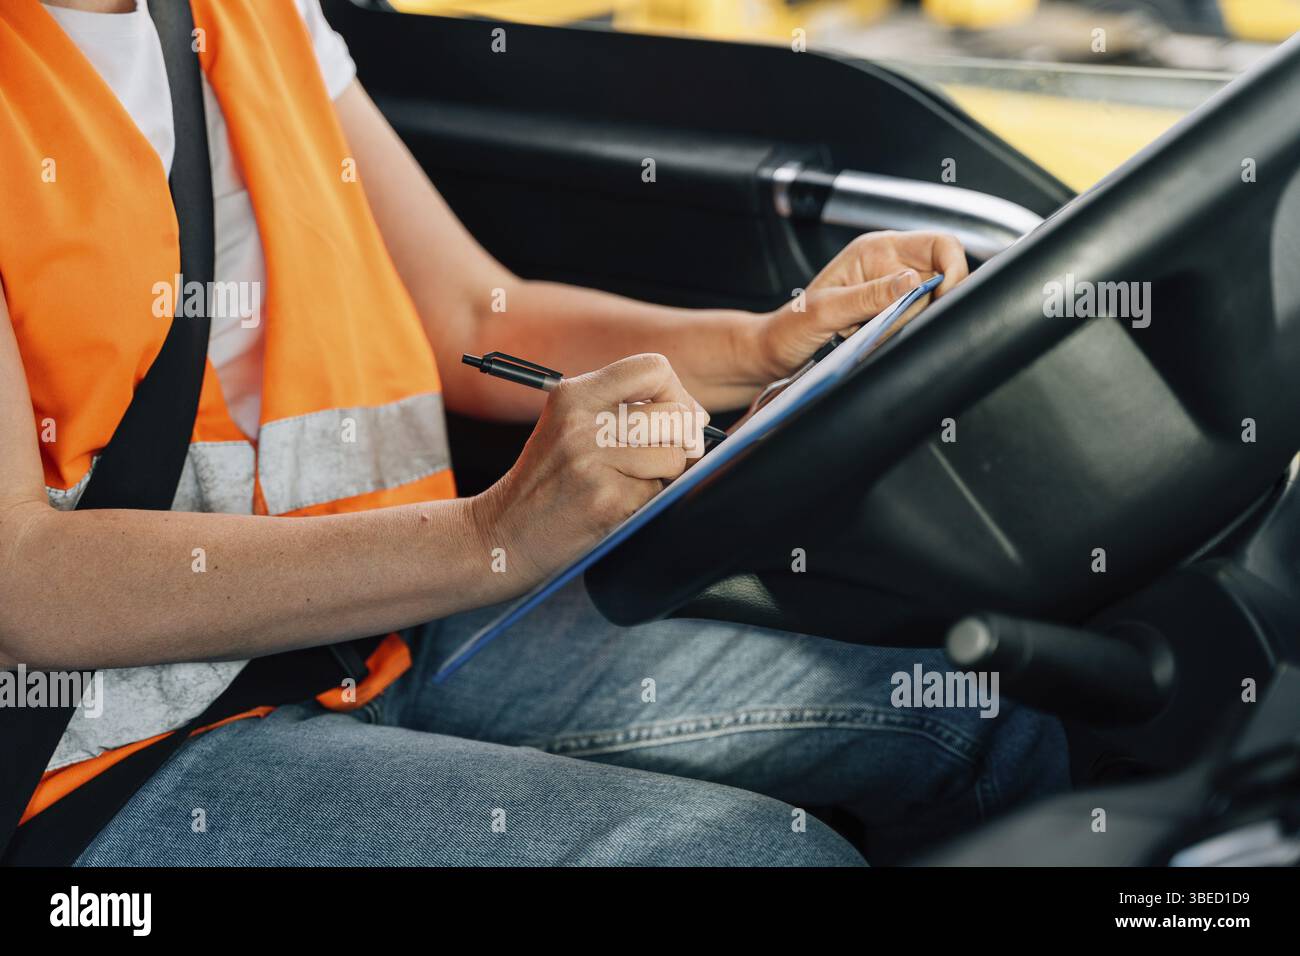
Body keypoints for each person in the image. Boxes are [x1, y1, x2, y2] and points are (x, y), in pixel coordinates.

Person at [0, 0, 1067, 866]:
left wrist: (763, 342)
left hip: (374, 630)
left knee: (980, 728)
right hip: (104, 747)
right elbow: (26, 577)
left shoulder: (252, 14)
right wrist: (492, 532)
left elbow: (473, 315)